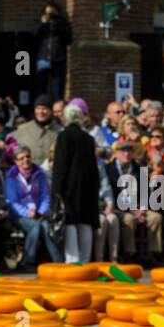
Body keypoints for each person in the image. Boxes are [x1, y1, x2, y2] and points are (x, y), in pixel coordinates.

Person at [52, 103, 99, 264]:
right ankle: (85, 260)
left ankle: (72, 259)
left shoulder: (64, 136)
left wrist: (57, 189)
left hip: (69, 186)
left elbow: (60, 165)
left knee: (70, 220)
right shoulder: (88, 138)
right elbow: (93, 166)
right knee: (85, 221)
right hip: (87, 186)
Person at [105, 139, 162, 264]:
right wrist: (132, 210)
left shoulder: (138, 168)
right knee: (128, 220)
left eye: (129, 151)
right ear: (117, 153)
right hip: (118, 207)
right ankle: (129, 253)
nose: (127, 154)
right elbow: (113, 193)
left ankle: (153, 253)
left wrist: (142, 209)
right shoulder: (109, 169)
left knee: (155, 218)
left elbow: (145, 190)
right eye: (123, 151)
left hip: (137, 206)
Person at [6, 144, 57, 269]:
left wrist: (40, 212)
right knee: (35, 226)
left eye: (27, 156)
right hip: (19, 214)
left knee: (46, 226)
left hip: (39, 212)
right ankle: (27, 261)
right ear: (16, 161)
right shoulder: (11, 177)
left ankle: (57, 260)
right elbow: (12, 201)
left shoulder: (40, 174)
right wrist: (28, 213)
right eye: (21, 158)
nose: (25, 160)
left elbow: (45, 196)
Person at [32, 0, 72, 100]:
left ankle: (57, 111)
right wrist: (43, 23)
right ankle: (39, 107)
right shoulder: (42, 24)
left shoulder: (63, 24)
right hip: (43, 58)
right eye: (48, 13)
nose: (50, 15)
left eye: (52, 13)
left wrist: (58, 23)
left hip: (58, 60)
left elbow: (68, 39)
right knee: (40, 87)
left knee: (57, 89)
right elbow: (35, 35)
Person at [17, 94, 61, 167]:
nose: (41, 112)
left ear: (51, 111)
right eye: (38, 108)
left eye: (44, 108)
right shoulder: (23, 129)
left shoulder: (60, 131)